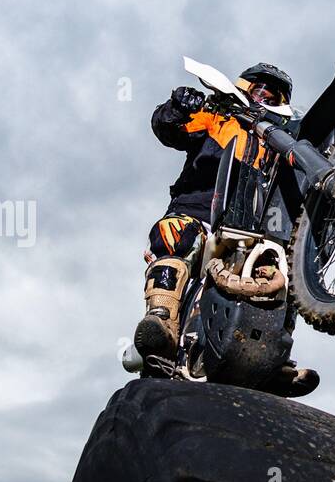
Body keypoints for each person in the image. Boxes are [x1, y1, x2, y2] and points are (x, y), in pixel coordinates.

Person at [135, 62, 318, 394]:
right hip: (200, 207)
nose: (265, 97)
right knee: (178, 237)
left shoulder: (282, 140)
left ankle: (269, 356)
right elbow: (168, 129)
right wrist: (179, 105)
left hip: (255, 226)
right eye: (260, 89)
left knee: (281, 270)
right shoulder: (216, 114)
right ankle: (161, 320)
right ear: (244, 87)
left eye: (274, 95)